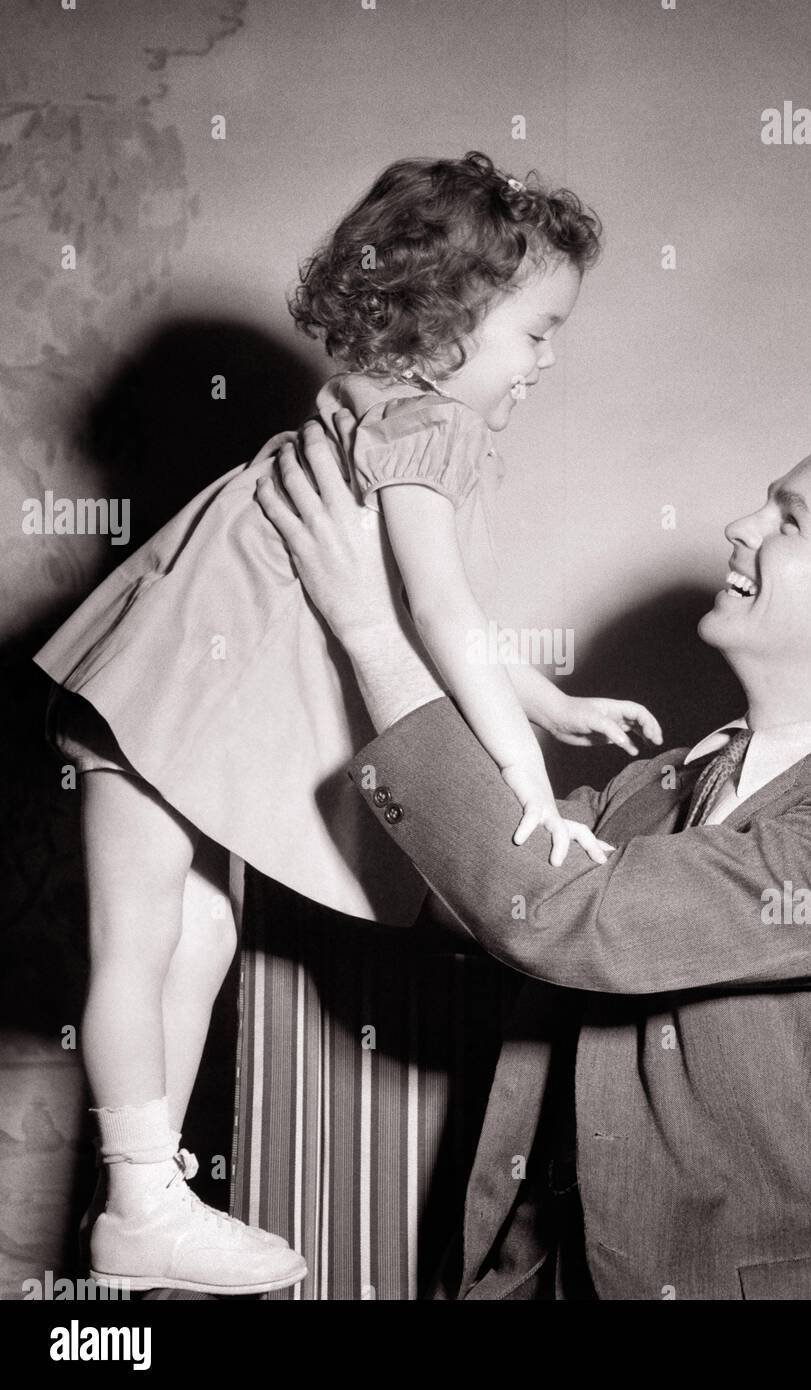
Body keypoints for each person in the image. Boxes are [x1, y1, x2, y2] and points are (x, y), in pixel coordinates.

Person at [33, 150, 659, 1295]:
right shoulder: (433, 431)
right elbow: (442, 615)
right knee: (141, 940)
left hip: (171, 685)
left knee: (194, 932)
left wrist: (553, 702)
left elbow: (433, 627)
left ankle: (147, 1192)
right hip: (166, 688)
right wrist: (526, 797)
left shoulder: (371, 402)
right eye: (536, 330)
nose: (550, 357)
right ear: (450, 321)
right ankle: (137, 1201)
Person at [257, 414, 811, 1298]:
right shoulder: (649, 789)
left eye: (790, 519)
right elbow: (448, 894)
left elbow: (561, 915)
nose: (741, 527)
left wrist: (371, 627)